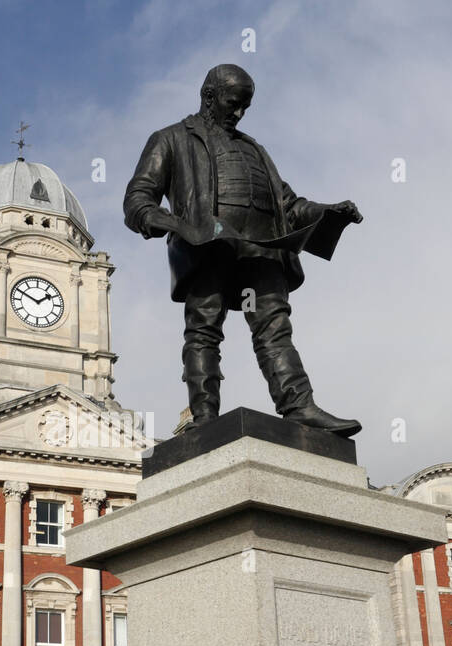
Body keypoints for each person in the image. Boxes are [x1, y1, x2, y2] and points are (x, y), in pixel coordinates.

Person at [123, 64, 363, 435]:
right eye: (233, 104)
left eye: (245, 107)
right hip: (208, 250)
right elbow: (138, 202)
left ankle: (299, 406)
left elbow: (289, 205)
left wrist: (327, 212)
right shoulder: (170, 139)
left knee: (275, 329)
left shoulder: (255, 149)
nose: (238, 114)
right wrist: (183, 226)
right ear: (209, 97)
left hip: (264, 251)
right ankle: (204, 420)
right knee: (203, 330)